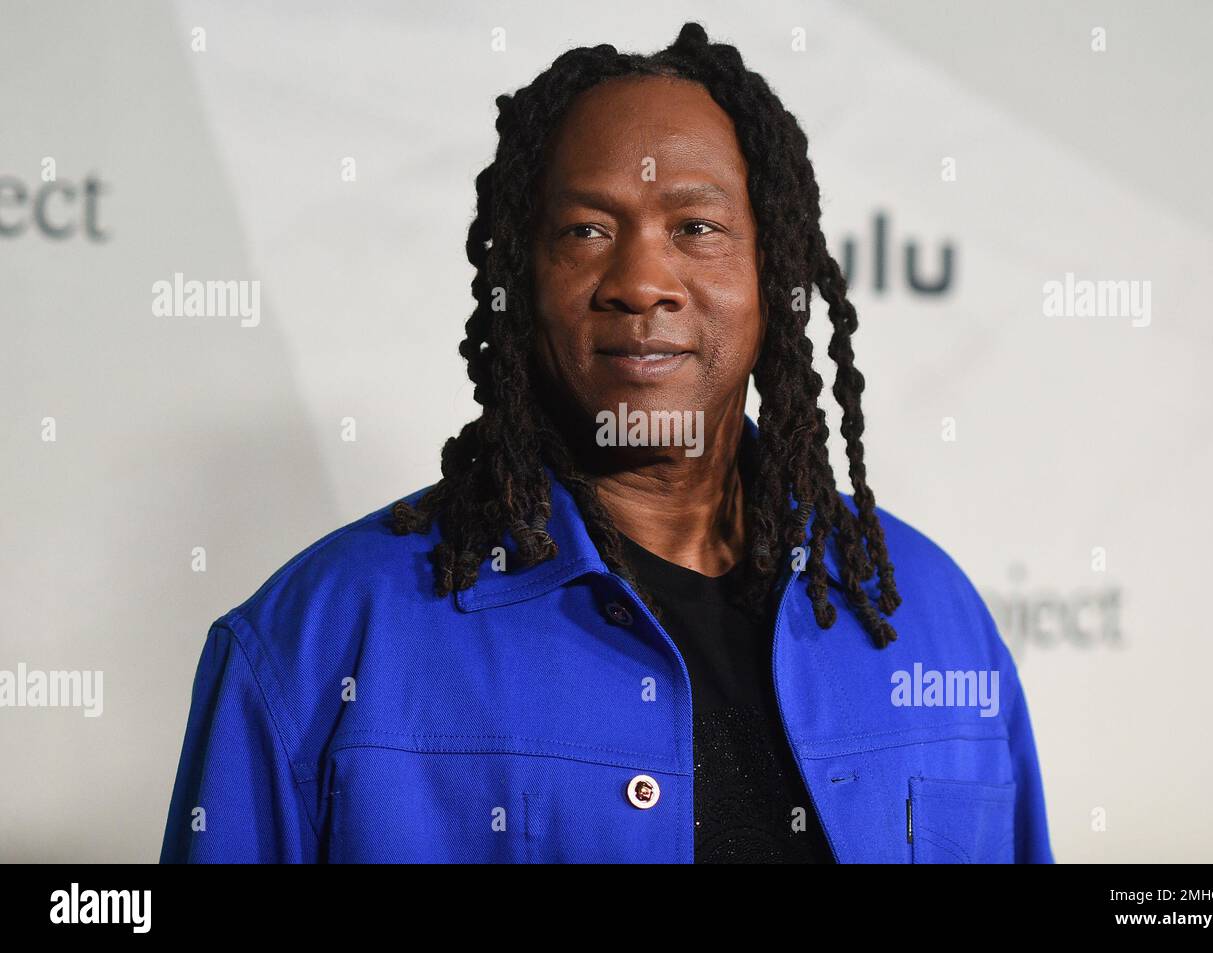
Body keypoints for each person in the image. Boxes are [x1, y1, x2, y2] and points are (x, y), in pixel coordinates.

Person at [161, 22, 1052, 863]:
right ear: (522, 280)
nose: (640, 281)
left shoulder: (935, 620)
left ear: (772, 274)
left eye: (695, 228)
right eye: (587, 231)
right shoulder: (315, 640)